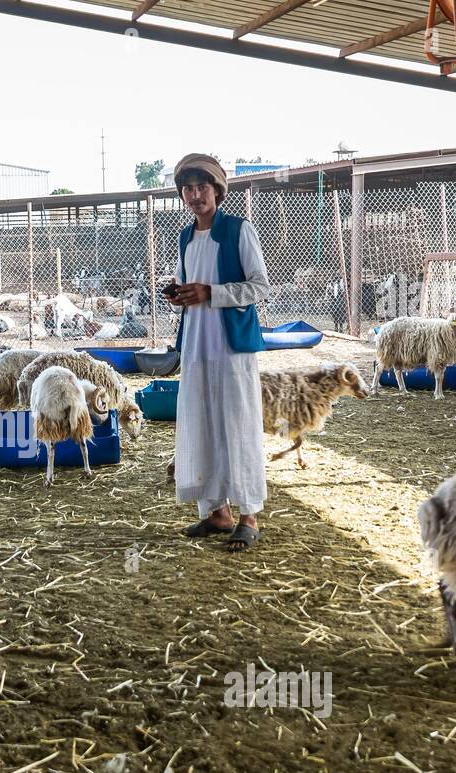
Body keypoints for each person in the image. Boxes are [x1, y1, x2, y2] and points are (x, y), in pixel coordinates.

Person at [164, 154, 272, 553]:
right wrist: (182, 293)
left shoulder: (239, 230)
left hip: (230, 344)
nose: (195, 195)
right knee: (203, 419)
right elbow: (193, 282)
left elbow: (259, 286)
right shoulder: (185, 236)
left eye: (202, 187)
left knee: (237, 422)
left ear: (217, 191)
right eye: (188, 189)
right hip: (196, 340)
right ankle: (216, 511)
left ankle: (248, 516)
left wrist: (212, 293)